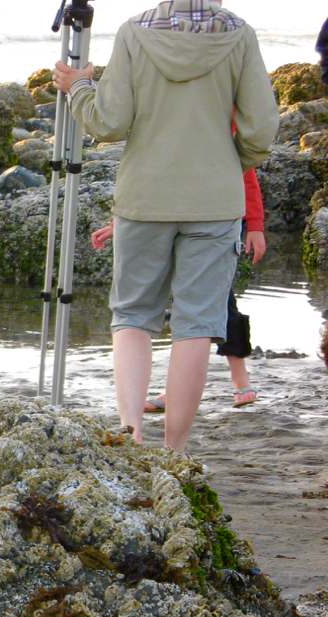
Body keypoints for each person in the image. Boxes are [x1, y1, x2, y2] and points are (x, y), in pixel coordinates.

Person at [54, 0, 279, 454]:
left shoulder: (135, 32)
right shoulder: (239, 34)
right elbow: (261, 128)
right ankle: (175, 451)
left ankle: (131, 431)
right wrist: (227, 164)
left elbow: (110, 121)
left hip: (144, 197)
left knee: (134, 316)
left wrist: (80, 87)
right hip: (215, 202)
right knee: (196, 325)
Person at [90, 168, 267, 409]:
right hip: (159, 217)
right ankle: (175, 391)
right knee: (176, 310)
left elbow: (246, 169)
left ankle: (239, 375)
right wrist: (119, 221)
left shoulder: (224, 129)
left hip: (213, 217)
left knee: (217, 302)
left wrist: (255, 224)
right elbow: (151, 168)